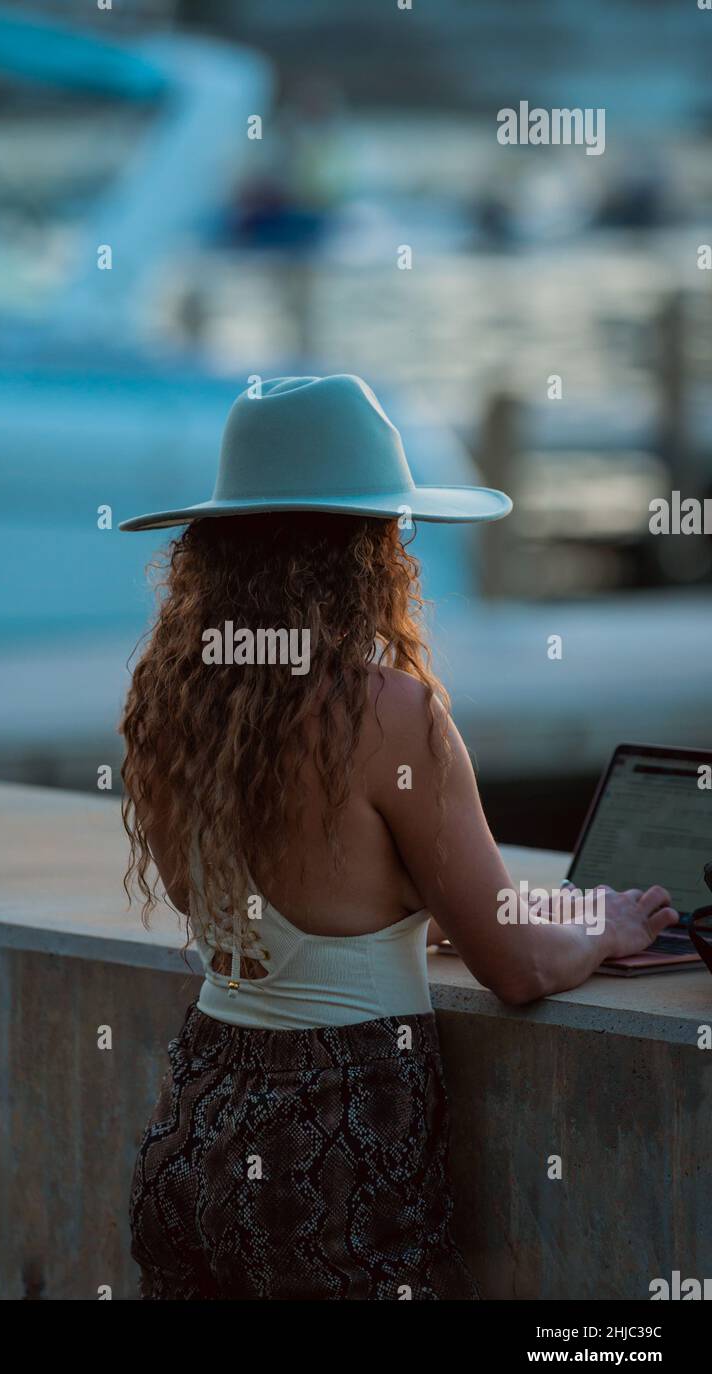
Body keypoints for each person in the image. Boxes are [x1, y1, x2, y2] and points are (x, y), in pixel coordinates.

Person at [117, 374, 678, 1301]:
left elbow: (273, 914)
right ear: (368, 549)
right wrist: (603, 928)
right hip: (331, 1154)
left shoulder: (173, 703)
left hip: (196, 1123)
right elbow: (517, 967)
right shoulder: (387, 714)